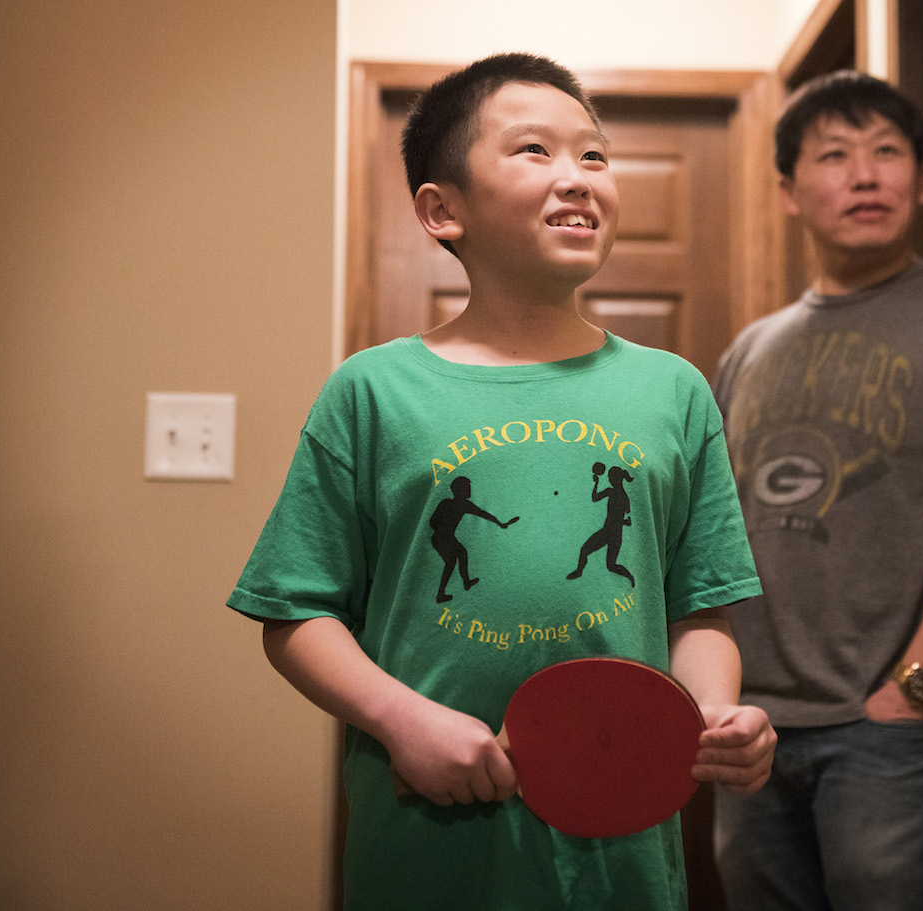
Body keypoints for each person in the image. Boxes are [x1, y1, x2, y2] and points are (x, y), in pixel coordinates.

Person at [228, 52, 776, 911]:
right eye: (534, 152)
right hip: (427, 836)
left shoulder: (674, 391)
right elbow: (293, 610)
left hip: (619, 848)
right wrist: (402, 720)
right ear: (443, 211)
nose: (578, 179)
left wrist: (713, 717)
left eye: (594, 156)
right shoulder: (372, 391)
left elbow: (700, 607)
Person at [711, 69, 923, 911]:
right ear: (788, 191)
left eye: (888, 153)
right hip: (750, 731)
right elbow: (714, 535)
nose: (864, 175)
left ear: (922, 182)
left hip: (883, 732)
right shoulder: (748, 351)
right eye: (834, 156)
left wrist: (912, 691)